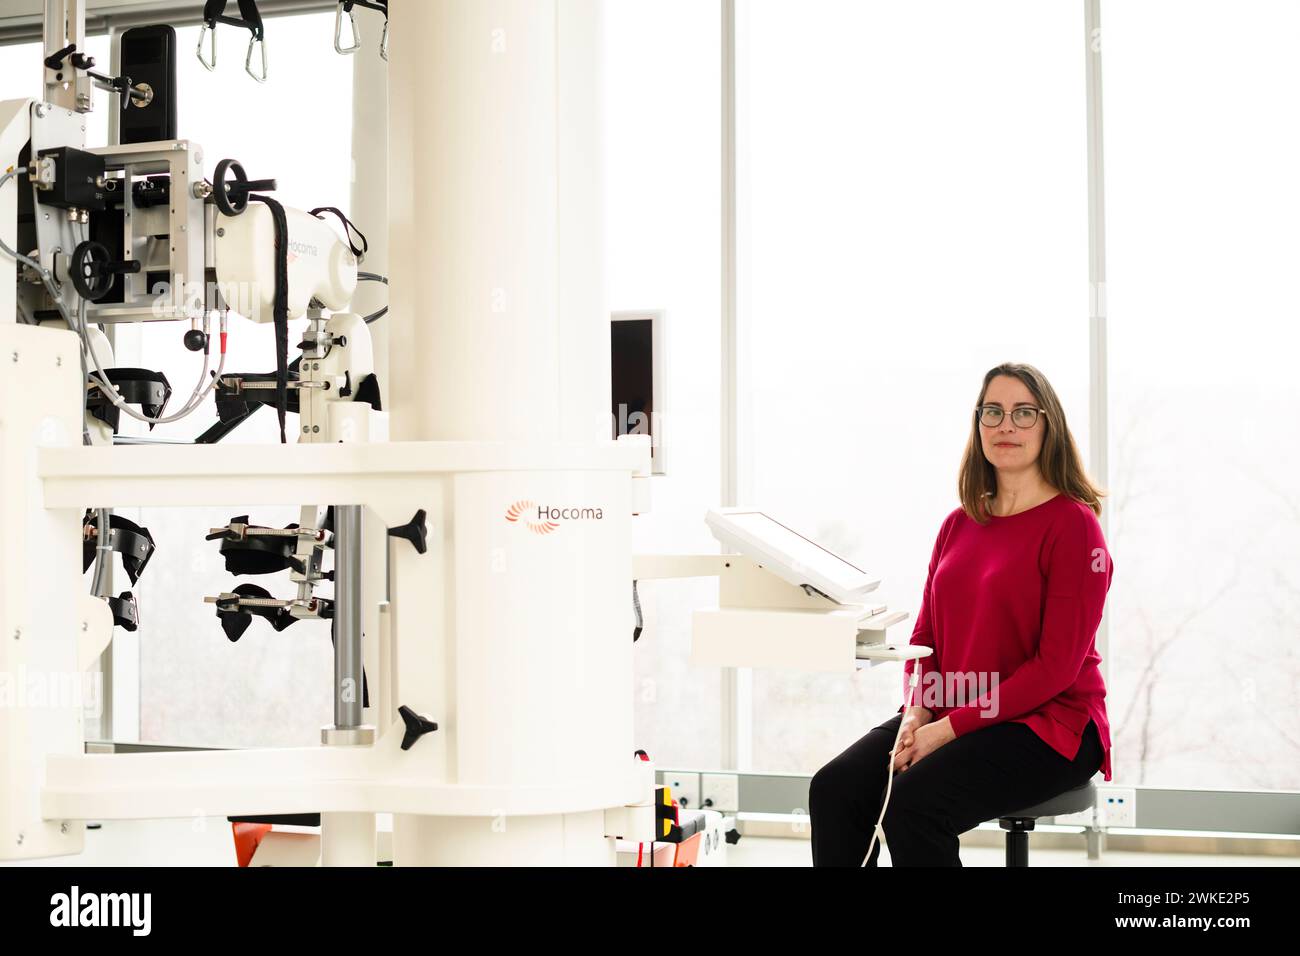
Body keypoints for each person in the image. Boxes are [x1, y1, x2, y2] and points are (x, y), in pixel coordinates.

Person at [809, 362, 1113, 866]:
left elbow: (1055, 669)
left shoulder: (1073, 527)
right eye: (992, 412)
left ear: (1048, 426)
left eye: (1023, 413)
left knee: (914, 805)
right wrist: (917, 711)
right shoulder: (959, 522)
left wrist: (945, 731)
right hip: (954, 707)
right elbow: (925, 638)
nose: (1005, 426)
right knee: (836, 788)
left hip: (1051, 724)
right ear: (978, 424)